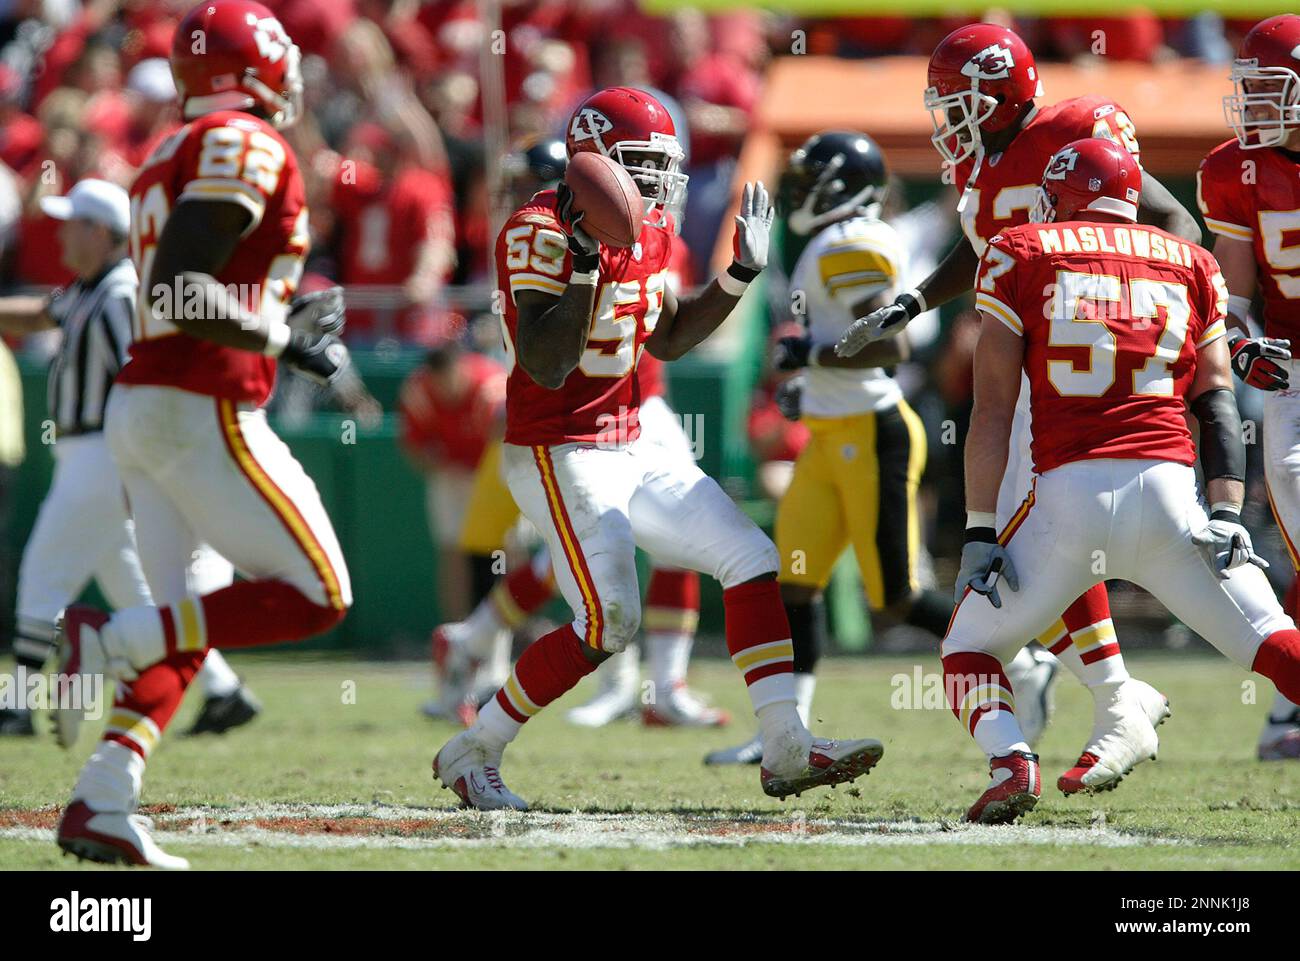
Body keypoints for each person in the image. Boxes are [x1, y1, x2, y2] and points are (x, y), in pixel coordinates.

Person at [432, 86, 884, 811]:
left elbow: (668, 335)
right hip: (560, 445)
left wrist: (739, 275)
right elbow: (546, 362)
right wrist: (586, 262)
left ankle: (785, 742)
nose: (656, 182)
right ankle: (474, 747)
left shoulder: (649, 231)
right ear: (594, 164)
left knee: (751, 556)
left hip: (632, 435)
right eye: (640, 166)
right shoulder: (537, 230)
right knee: (609, 622)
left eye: (660, 167)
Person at [838, 22, 1198, 791]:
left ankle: (1105, 694)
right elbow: (985, 242)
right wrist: (912, 299)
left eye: (958, 101)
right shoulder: (987, 159)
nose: (948, 119)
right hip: (1030, 371)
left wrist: (1166, 328)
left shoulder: (1072, 133)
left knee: (1036, 542)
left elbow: (1171, 221)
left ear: (1003, 90)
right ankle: (1116, 695)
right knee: (1038, 543)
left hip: (1088, 370)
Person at [52, 1, 352, 869]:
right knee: (318, 592)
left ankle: (102, 798)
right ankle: (109, 638)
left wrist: (278, 313)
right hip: (202, 402)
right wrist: (282, 337)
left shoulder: (166, 151)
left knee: (194, 615)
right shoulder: (245, 141)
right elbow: (182, 289)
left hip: (148, 404)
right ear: (252, 64)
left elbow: (194, 282)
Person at [944, 137, 1300, 822]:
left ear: (1066, 197)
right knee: (1275, 644)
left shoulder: (1022, 250)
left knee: (966, 647)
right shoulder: (1191, 261)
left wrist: (980, 531)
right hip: (1173, 497)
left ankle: (1012, 759)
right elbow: (1217, 401)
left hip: (1067, 502)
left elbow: (990, 412)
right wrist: (1227, 510)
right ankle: (1112, 704)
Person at [706, 131, 953, 765]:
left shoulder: (851, 242)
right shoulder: (837, 239)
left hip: (872, 433)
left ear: (844, 185)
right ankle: (784, 730)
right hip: (831, 432)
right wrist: (810, 385)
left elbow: (892, 343)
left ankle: (1026, 660)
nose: (799, 189)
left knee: (895, 597)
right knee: (795, 583)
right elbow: (846, 339)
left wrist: (810, 356)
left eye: (811, 177)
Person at [0, 178, 258, 738]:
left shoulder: (118, 294)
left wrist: (137, 461)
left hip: (100, 452)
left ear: (99, 231)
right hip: (90, 454)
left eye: (72, 223)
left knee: (43, 572)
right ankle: (224, 690)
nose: (61, 234)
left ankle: (17, 704)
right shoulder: (89, 288)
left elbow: (140, 374)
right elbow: (41, 314)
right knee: (133, 587)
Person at [1196, 13, 1300, 761]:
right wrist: (1238, 343)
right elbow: (1230, 296)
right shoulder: (1235, 168)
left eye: (1273, 89)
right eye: (1251, 89)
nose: (1255, 104)